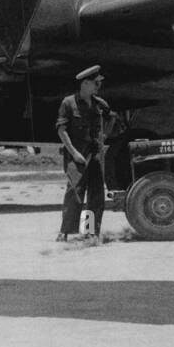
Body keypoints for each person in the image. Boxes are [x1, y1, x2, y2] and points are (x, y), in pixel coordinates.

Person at [56, 65, 114, 242]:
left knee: (95, 195)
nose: (98, 86)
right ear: (85, 83)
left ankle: (90, 232)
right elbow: (61, 130)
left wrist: (104, 136)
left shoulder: (99, 104)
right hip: (77, 156)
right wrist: (74, 153)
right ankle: (65, 232)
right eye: (96, 83)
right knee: (75, 192)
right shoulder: (68, 103)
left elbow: (112, 117)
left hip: (95, 155)